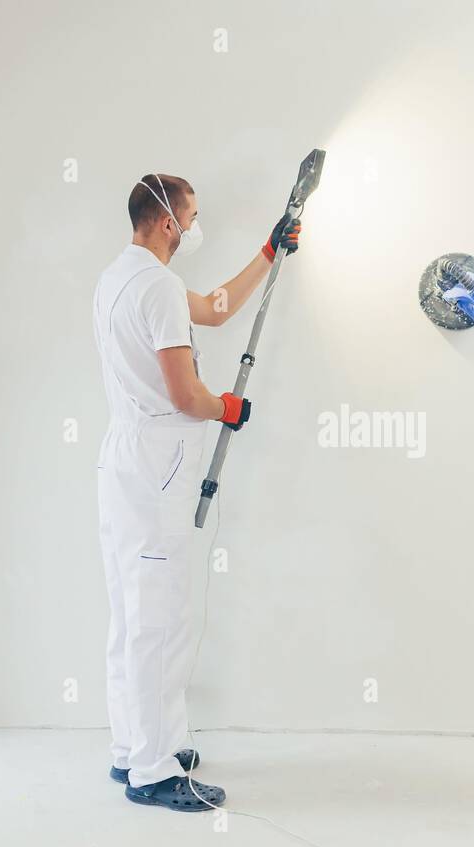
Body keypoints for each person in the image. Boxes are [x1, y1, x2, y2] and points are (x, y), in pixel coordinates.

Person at [93, 172, 300, 810]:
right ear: (166, 222)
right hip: (159, 460)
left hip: (126, 459)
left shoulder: (120, 277)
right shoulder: (153, 286)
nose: (194, 228)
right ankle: (153, 770)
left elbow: (213, 308)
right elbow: (186, 394)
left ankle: (137, 744)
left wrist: (269, 253)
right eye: (192, 217)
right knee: (159, 615)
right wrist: (226, 408)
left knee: (133, 610)